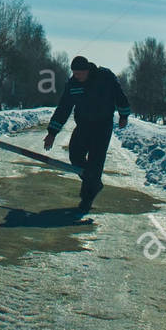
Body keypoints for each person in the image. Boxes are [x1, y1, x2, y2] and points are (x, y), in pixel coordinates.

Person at [43, 55, 131, 213]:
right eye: (74, 74)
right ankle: (94, 182)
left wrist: (124, 115)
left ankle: (87, 198)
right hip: (83, 125)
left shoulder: (105, 77)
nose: (76, 77)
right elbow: (64, 108)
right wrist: (52, 132)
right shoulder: (73, 84)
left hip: (103, 126)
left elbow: (120, 96)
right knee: (75, 156)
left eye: (79, 74)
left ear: (87, 70)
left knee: (95, 162)